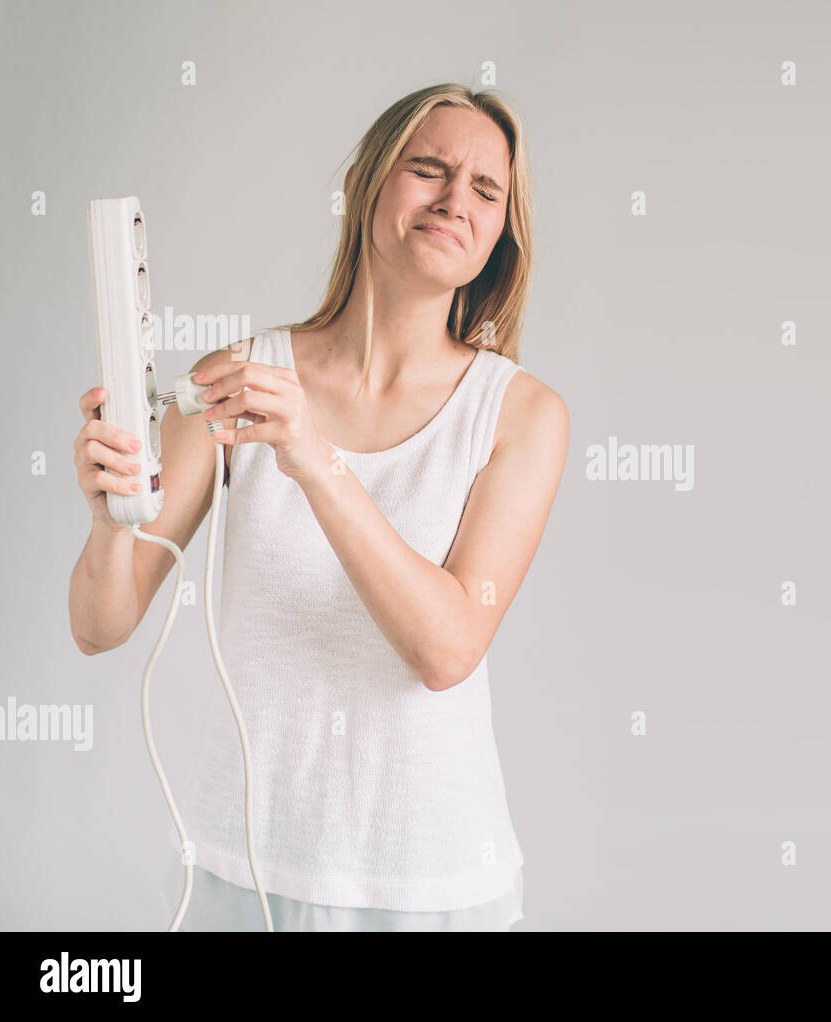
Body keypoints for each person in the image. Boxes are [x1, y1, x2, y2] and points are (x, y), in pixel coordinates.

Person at [68, 83, 569, 931]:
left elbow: (447, 650)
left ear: (501, 234)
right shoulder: (235, 378)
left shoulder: (521, 415)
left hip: (431, 888)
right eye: (430, 168)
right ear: (371, 184)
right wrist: (104, 514)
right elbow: (100, 624)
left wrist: (313, 458)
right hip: (240, 872)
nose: (455, 199)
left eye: (487, 190)